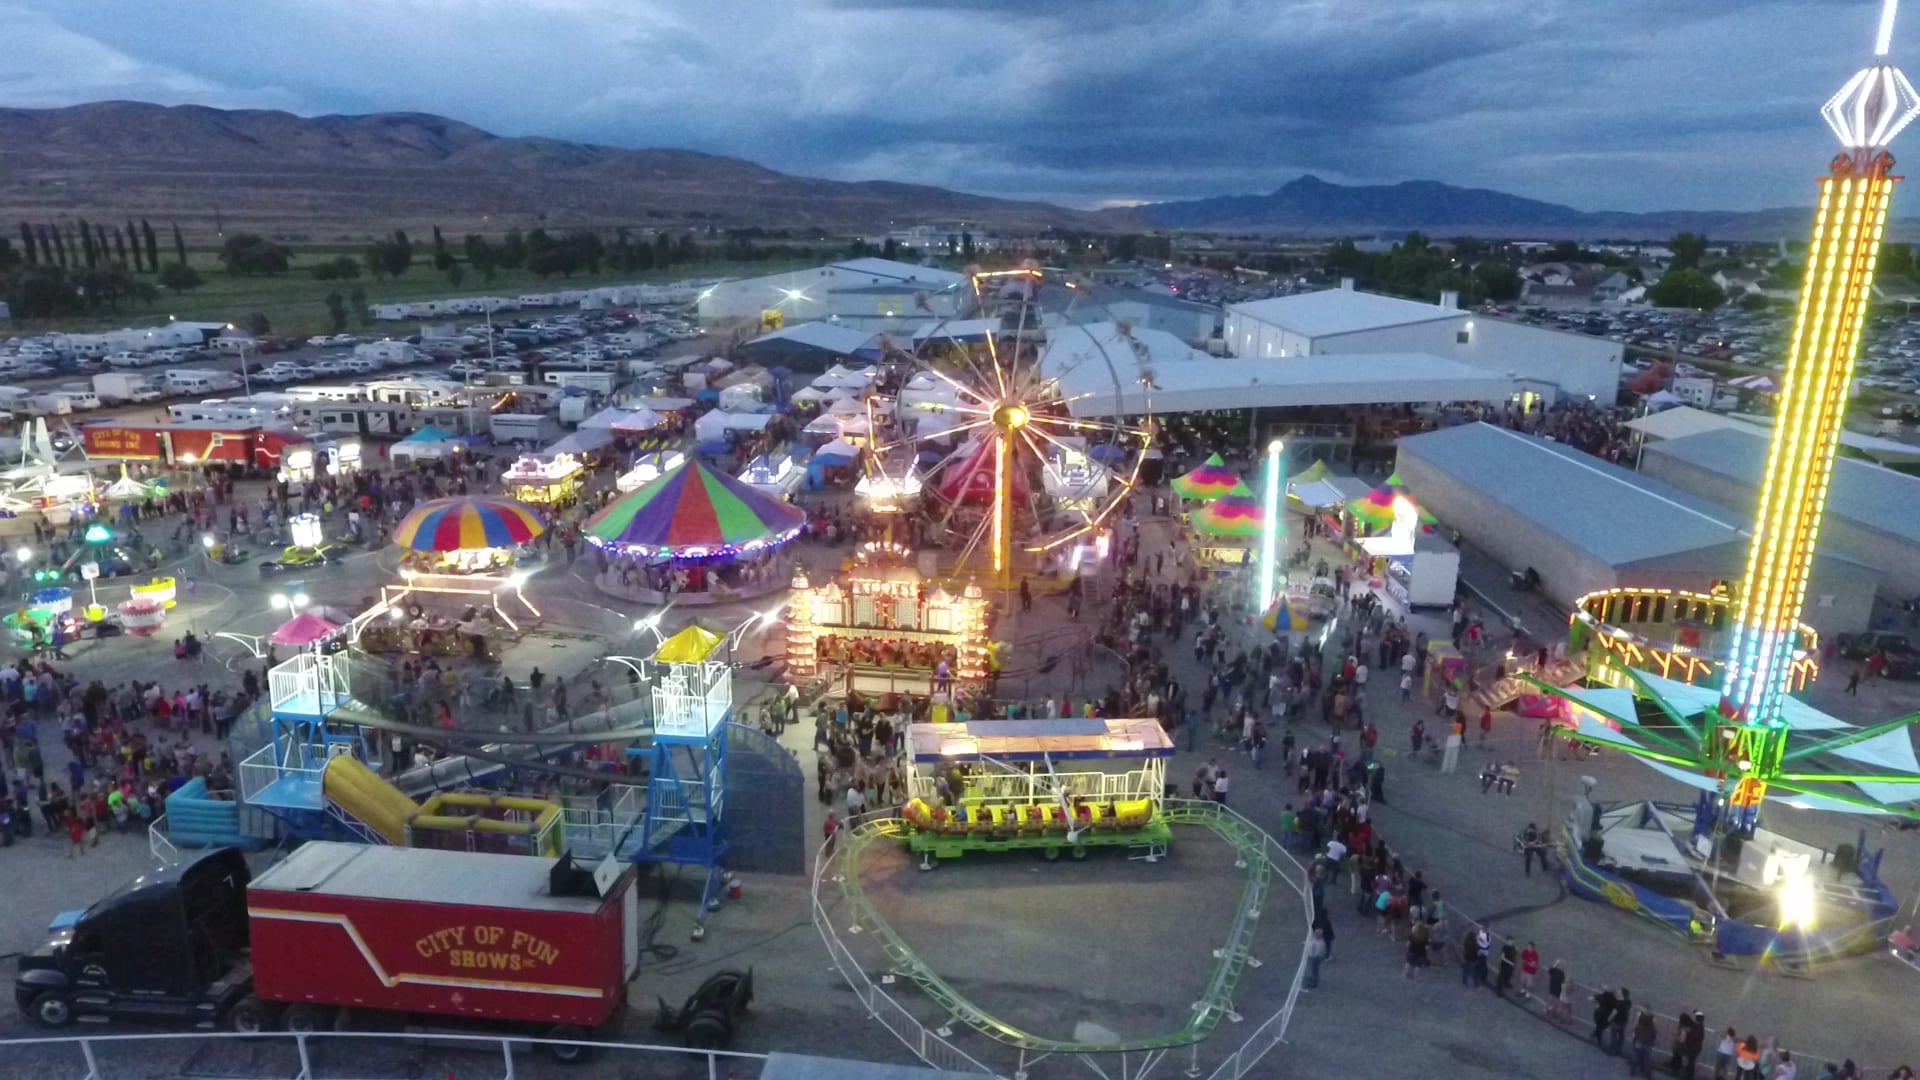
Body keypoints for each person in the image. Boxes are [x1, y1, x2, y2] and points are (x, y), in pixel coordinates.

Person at [1630, 1008, 1659, 1078]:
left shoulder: (1640, 1023)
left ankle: (1632, 1070)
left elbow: (1635, 1030)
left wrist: (1633, 1038)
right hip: (1648, 1043)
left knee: (1635, 1056)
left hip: (1639, 1041)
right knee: (1647, 1058)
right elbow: (1655, 1032)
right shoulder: (1652, 1025)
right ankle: (1646, 1074)